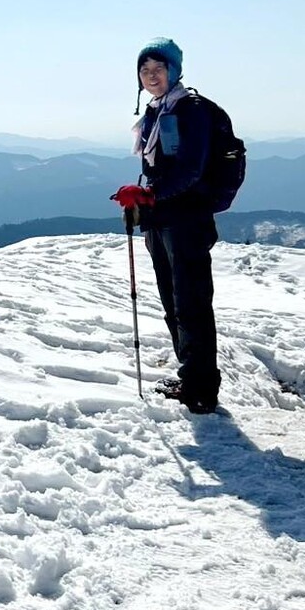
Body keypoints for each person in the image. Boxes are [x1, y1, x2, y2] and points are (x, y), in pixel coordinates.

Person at [113, 37, 221, 414]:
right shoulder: (158, 111)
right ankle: (191, 376)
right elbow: (160, 168)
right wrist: (144, 198)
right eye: (144, 70)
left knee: (190, 304)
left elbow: (190, 170)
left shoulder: (189, 110)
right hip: (162, 219)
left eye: (159, 68)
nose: (151, 75)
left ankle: (202, 389)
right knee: (173, 302)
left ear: (174, 70)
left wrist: (150, 194)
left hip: (187, 220)